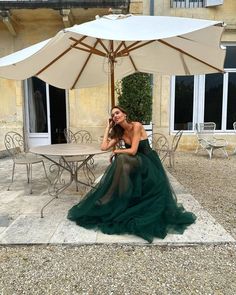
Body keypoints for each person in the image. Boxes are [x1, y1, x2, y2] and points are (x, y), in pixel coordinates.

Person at [67, 106, 196, 243]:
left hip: (148, 161)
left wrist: (116, 152)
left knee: (122, 158)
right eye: (113, 115)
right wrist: (107, 128)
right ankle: (120, 197)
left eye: (117, 113)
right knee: (122, 163)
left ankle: (111, 195)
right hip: (135, 161)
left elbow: (134, 150)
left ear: (125, 114)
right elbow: (103, 147)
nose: (115, 116)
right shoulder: (120, 133)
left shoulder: (137, 126)